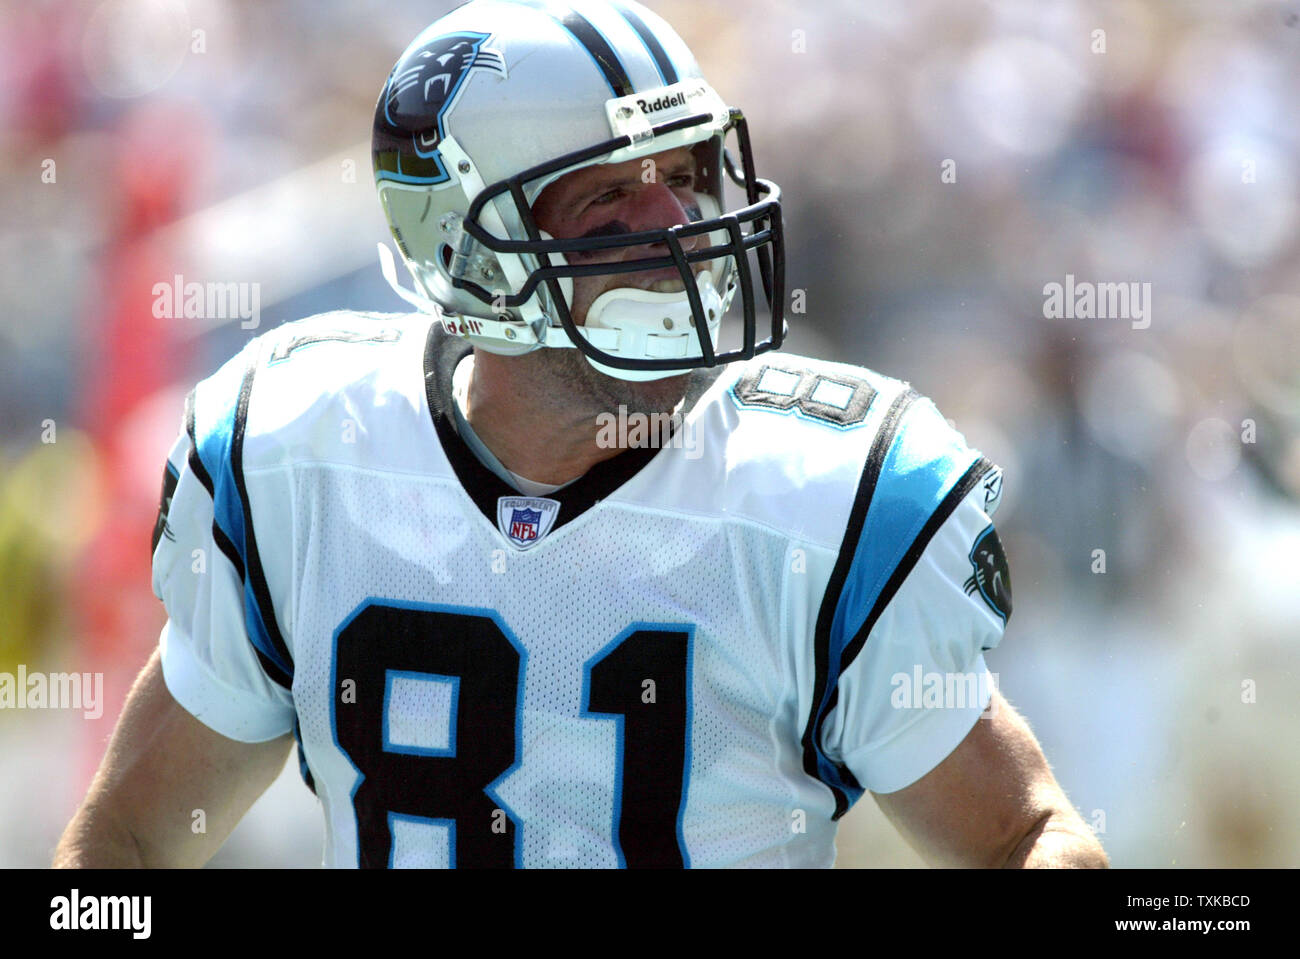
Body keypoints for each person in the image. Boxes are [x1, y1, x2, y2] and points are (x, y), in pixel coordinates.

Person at [54, 0, 1107, 868]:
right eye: (609, 198)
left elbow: (1022, 835)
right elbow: (129, 843)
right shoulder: (296, 450)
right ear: (467, 249)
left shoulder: (828, 488)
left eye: (687, 174)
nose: (678, 225)